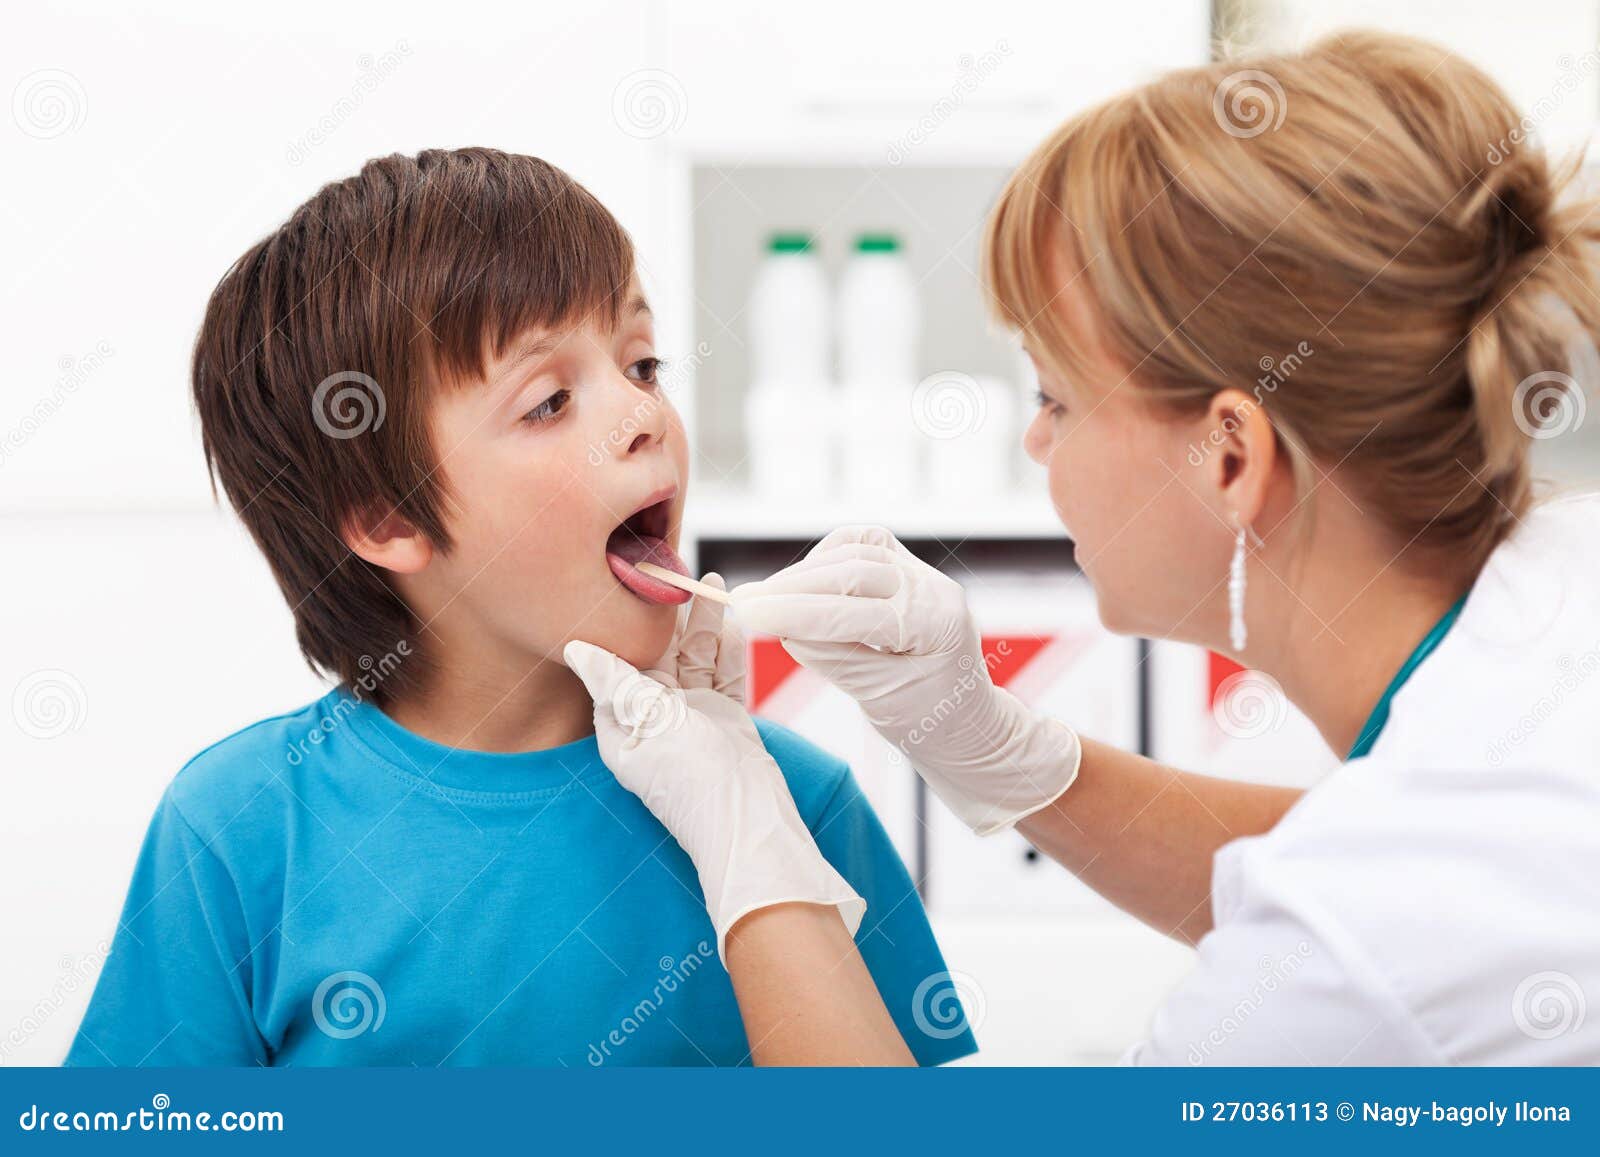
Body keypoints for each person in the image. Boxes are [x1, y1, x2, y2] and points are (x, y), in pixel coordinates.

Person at [566, 31, 1600, 1064]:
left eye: (1054, 395)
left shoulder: (1355, 959)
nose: (1035, 440)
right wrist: (989, 744)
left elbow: (1365, 932)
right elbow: (1375, 871)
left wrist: (753, 849)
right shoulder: (1561, 580)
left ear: (1229, 455)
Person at [65, 149, 973, 1067]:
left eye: (643, 363)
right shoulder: (243, 828)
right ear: (388, 516)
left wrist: (764, 856)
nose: (644, 415)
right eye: (549, 401)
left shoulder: (787, 806)